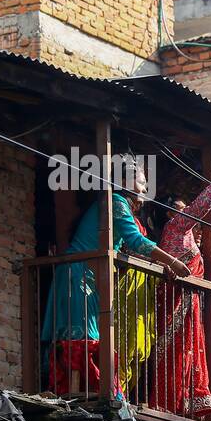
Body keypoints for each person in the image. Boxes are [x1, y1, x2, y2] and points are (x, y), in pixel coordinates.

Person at [40, 156, 191, 396]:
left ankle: (73, 391)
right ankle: (74, 393)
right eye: (141, 182)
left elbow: (131, 247)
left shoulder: (112, 203)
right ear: (123, 181)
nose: (143, 188)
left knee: (82, 339)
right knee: (83, 341)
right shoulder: (116, 201)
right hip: (77, 277)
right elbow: (136, 241)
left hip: (80, 277)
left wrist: (159, 263)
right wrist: (172, 261)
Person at [148, 151, 211, 421]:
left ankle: (184, 404)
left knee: (186, 354)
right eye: (181, 207)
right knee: (174, 353)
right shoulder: (175, 227)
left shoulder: (188, 237)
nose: (187, 211)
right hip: (175, 301)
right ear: (169, 212)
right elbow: (201, 205)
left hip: (190, 305)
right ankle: (167, 404)